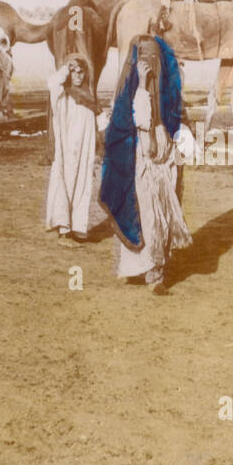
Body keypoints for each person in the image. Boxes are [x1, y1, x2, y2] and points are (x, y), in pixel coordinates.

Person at [99, 35, 191, 293]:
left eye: (154, 57)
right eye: (143, 56)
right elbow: (134, 116)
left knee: (166, 206)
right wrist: (141, 83)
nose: (149, 63)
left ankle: (158, 268)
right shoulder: (131, 85)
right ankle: (150, 271)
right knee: (147, 210)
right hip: (141, 153)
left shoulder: (168, 84)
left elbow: (176, 113)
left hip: (166, 151)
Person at [45, 53, 100, 241]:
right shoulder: (62, 94)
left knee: (83, 186)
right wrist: (65, 68)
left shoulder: (88, 96)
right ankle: (64, 228)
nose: (77, 76)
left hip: (85, 151)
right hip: (67, 151)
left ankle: (78, 227)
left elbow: (100, 122)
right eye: (74, 72)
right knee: (65, 185)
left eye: (81, 72)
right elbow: (52, 84)